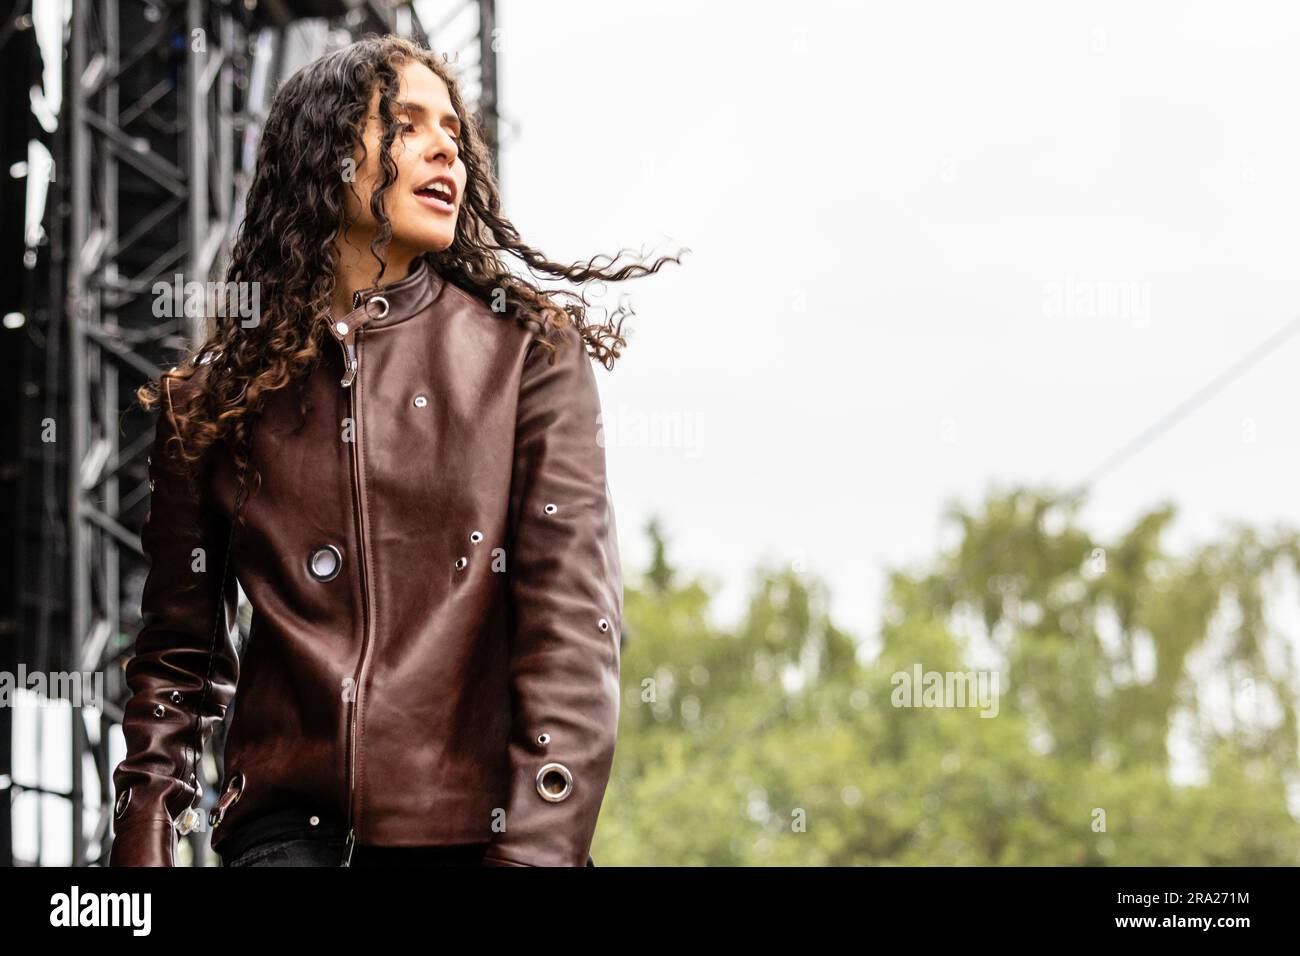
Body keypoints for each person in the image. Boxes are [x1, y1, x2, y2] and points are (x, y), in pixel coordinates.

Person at [107, 34, 683, 867]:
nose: (446, 144)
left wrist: (534, 850)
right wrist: (143, 852)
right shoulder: (211, 403)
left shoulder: (529, 357)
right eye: (406, 124)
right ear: (327, 155)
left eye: (451, 128)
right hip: (283, 842)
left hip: (480, 835)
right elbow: (175, 664)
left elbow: (572, 633)